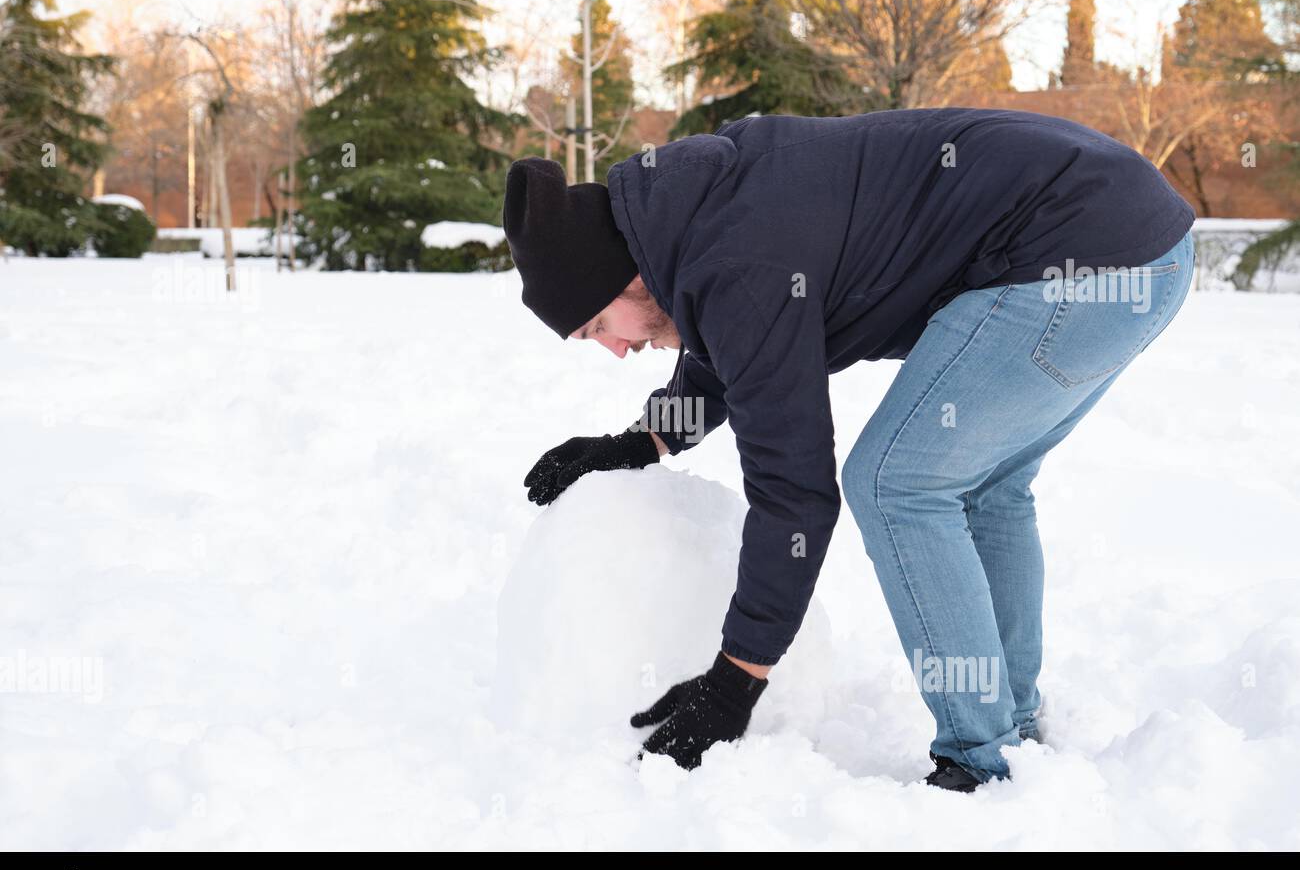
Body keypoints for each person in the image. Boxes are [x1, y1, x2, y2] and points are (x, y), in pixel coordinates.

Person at [502, 108, 1196, 789]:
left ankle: (980, 761)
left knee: (897, 483)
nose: (618, 351)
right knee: (985, 488)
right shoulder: (697, 217)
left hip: (1082, 259)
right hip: (1141, 246)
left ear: (622, 276)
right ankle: (1007, 728)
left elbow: (793, 489)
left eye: (599, 326)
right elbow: (731, 341)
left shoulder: (737, 263)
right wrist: (643, 441)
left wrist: (735, 680)